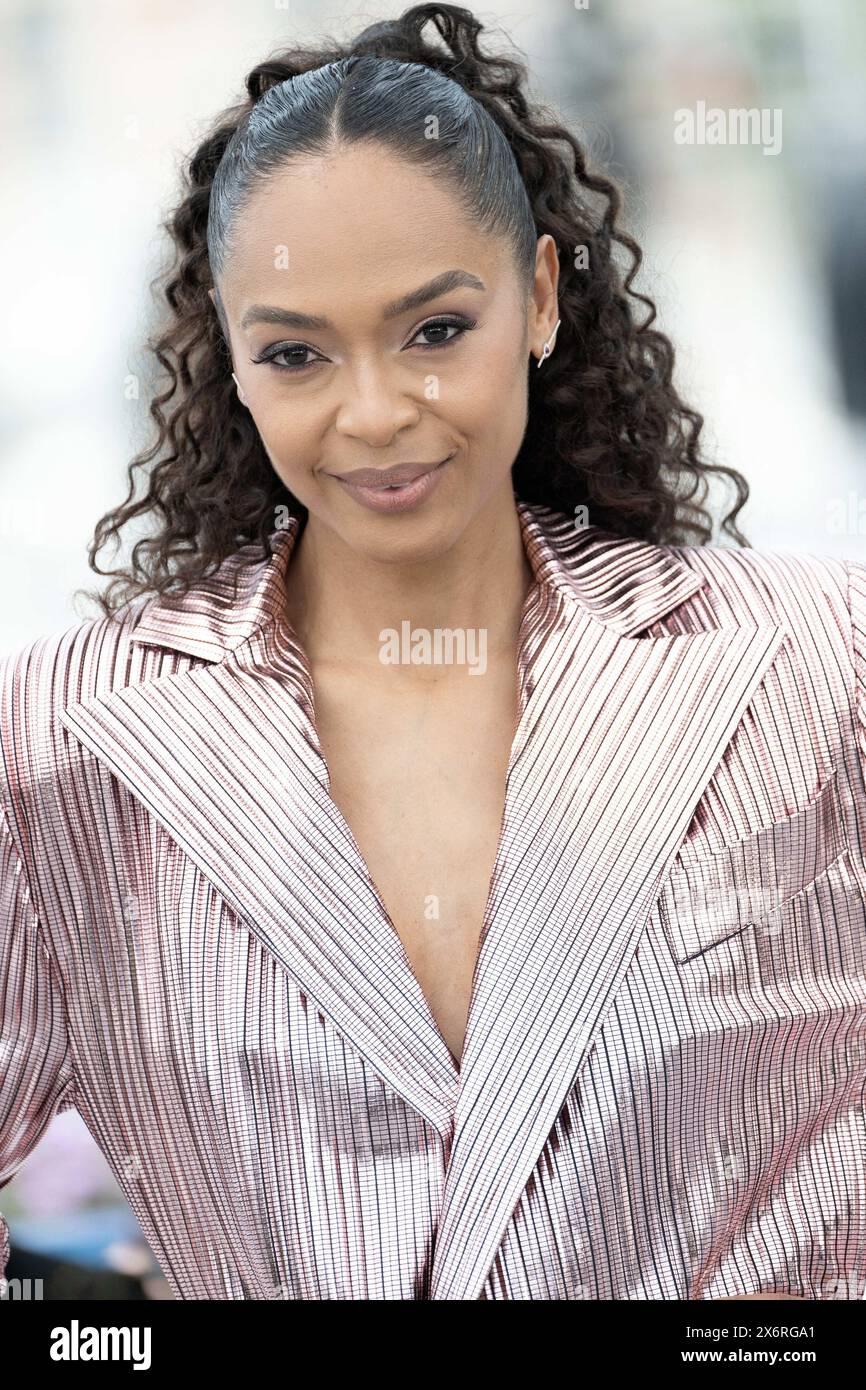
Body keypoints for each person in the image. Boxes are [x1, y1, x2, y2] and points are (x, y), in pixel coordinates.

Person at [1, 3, 864, 1302]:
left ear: (539, 298)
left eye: (434, 330)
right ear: (230, 362)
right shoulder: (74, 734)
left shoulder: (812, 661)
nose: (373, 412)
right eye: (294, 351)